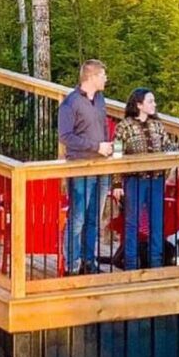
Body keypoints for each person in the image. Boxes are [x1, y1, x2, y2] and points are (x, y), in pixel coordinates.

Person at [112, 88, 179, 269]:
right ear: (138, 104)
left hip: (156, 180)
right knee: (132, 223)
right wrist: (117, 183)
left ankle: (156, 264)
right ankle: (131, 264)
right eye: (150, 101)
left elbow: (166, 147)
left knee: (157, 223)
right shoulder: (124, 127)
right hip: (134, 180)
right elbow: (116, 155)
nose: (154, 104)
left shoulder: (157, 125)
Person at [57, 59, 112, 274]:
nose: (106, 79)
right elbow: (65, 136)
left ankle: (89, 261)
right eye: (103, 75)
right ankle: (73, 264)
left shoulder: (99, 99)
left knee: (93, 218)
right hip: (80, 166)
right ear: (92, 77)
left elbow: (104, 128)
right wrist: (95, 146)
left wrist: (107, 149)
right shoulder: (70, 104)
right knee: (78, 217)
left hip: (101, 167)